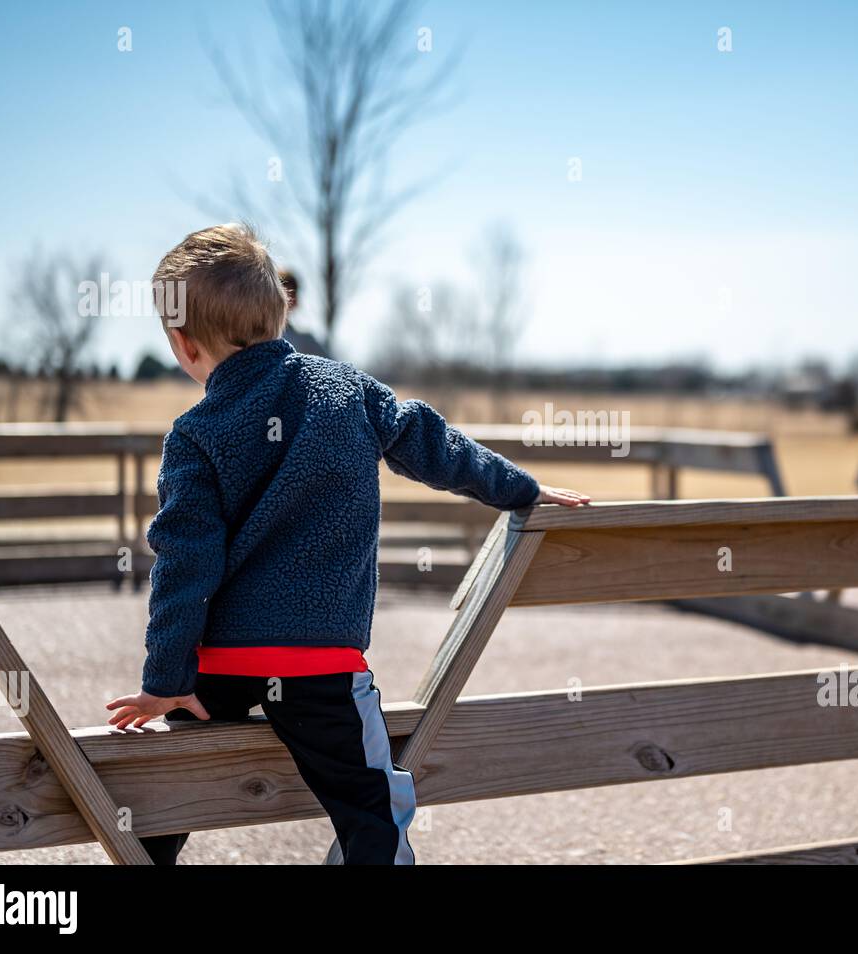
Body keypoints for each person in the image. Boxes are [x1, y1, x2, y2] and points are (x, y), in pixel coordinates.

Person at [106, 223, 589, 864]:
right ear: (280, 312)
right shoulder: (346, 392)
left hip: (218, 666)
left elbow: (185, 562)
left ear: (181, 344)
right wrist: (520, 488)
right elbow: (433, 447)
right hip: (320, 664)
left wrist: (166, 678)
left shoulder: (196, 432)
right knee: (370, 810)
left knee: (166, 796)